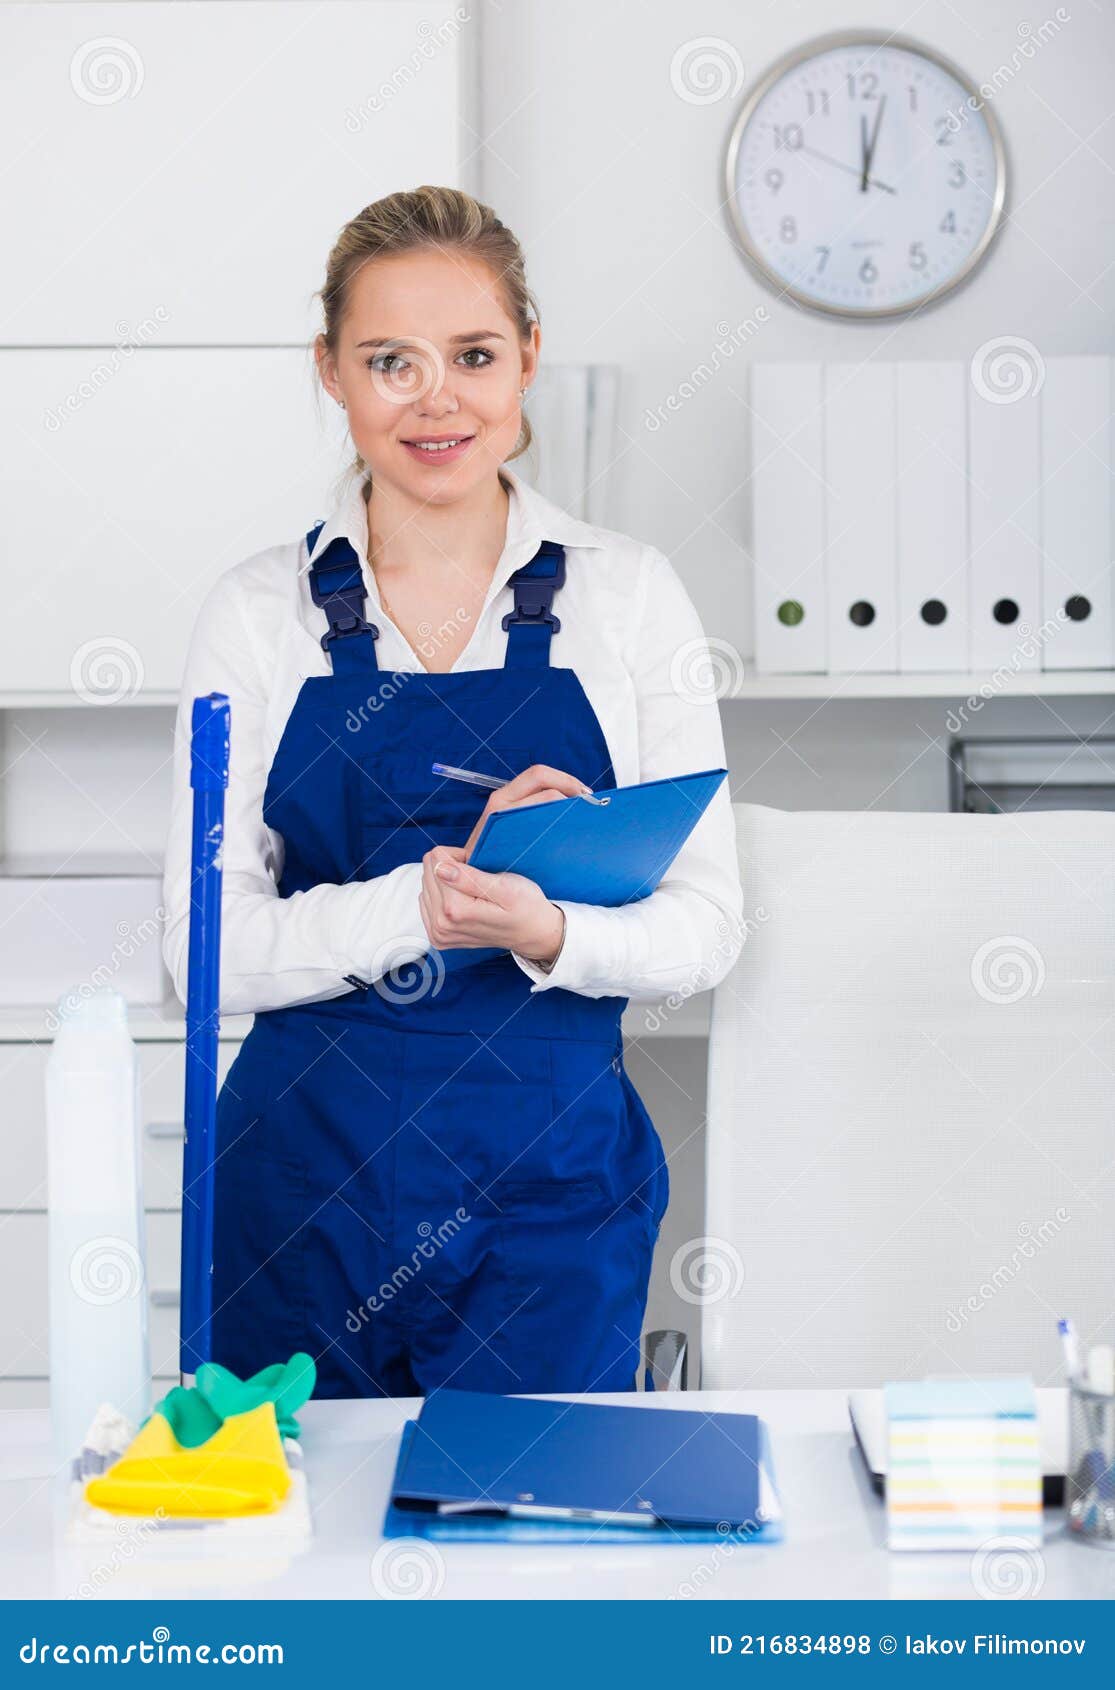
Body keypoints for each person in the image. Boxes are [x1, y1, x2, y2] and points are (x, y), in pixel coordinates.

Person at [162, 185, 744, 1399]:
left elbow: (706, 927)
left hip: (549, 1198)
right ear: (330, 371)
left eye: (473, 355)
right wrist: (411, 912)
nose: (437, 399)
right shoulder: (257, 614)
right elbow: (196, 957)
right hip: (301, 1191)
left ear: (527, 355)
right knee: (287, 1563)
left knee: (524, 1556)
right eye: (389, 361)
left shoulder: (625, 596)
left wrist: (545, 929)